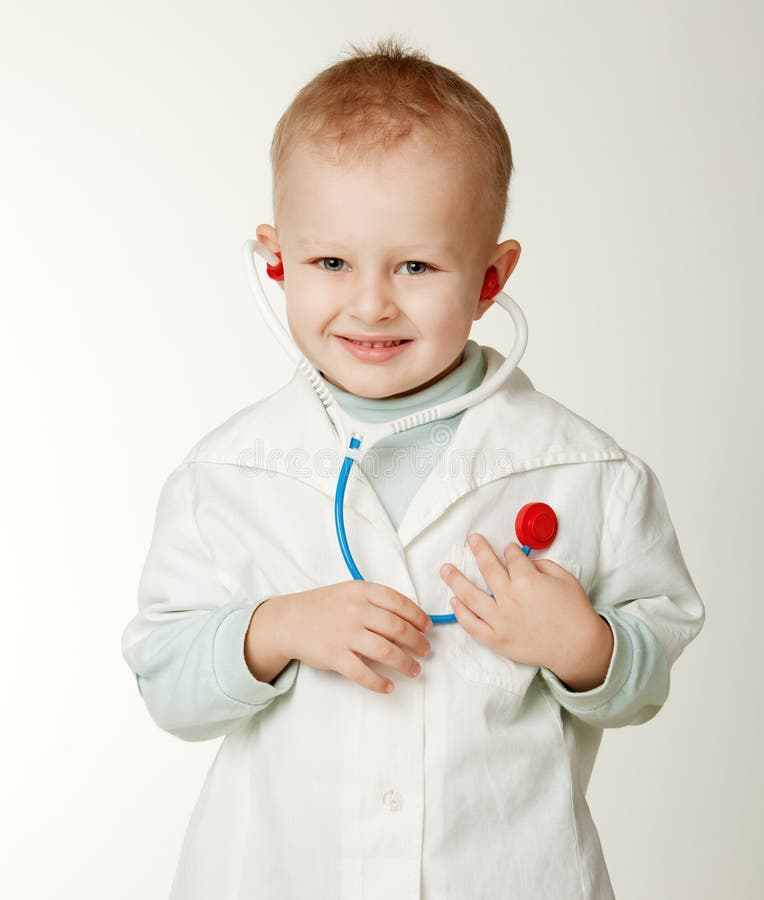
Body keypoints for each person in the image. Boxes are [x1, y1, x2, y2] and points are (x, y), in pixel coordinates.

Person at [122, 36, 705, 899]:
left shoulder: (589, 474)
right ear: (277, 258)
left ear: (490, 278)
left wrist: (584, 646)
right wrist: (273, 629)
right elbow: (167, 683)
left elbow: (648, 671)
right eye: (330, 263)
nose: (370, 303)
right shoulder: (226, 477)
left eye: (417, 266)